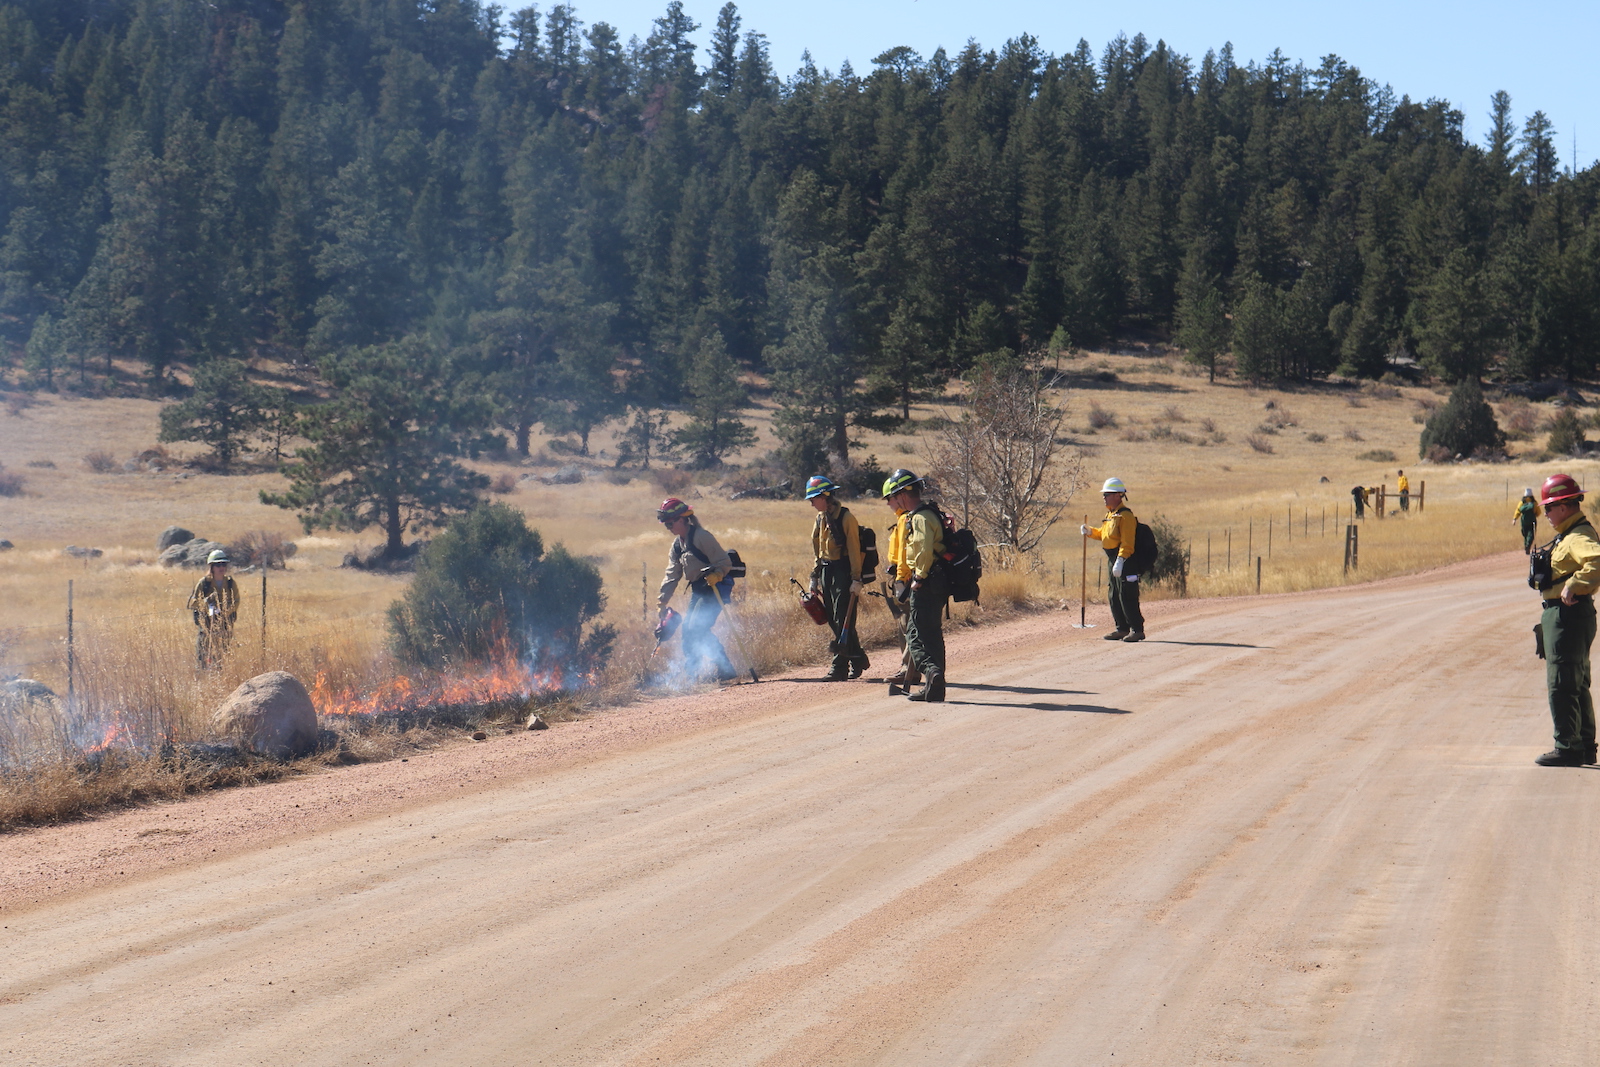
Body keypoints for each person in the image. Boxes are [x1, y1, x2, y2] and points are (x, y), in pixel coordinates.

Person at [1532, 474, 1600, 766]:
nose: (1545, 513)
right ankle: (1583, 745)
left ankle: (1567, 748)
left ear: (1564, 505)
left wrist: (1575, 584)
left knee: (1562, 682)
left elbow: (1597, 561)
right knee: (1575, 682)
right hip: (1567, 615)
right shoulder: (1570, 533)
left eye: (1549, 507)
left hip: (1568, 614)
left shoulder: (1578, 536)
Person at [656, 498, 739, 683]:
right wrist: (662, 601)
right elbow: (672, 574)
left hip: (714, 587)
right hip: (698, 590)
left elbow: (725, 562)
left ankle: (725, 668)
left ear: (682, 519)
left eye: (670, 523)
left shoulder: (702, 537)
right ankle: (693, 673)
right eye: (665, 524)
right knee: (688, 630)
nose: (668, 527)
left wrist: (717, 575)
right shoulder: (677, 546)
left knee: (698, 628)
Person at [883, 469, 946, 702]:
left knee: (914, 634)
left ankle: (931, 671)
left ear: (901, 495)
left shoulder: (919, 517)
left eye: (894, 496)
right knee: (932, 636)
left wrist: (917, 579)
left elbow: (922, 550)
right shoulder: (927, 514)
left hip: (925, 584)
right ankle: (934, 689)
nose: (893, 501)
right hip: (936, 583)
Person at [805, 475, 870, 681]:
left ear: (825, 496)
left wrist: (856, 578)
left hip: (843, 571)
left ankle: (839, 667)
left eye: (813, 498)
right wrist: (815, 576)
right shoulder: (820, 518)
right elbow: (818, 550)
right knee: (833, 619)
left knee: (843, 618)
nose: (811, 503)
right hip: (827, 571)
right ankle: (858, 657)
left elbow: (853, 549)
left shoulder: (846, 518)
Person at [1082, 477, 1145, 642]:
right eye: (1104, 494)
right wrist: (1090, 532)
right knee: (1114, 595)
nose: (1104, 497)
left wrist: (1121, 560)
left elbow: (1127, 542)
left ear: (1118, 495)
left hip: (1126, 560)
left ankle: (1137, 629)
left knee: (1127, 595)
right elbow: (1104, 534)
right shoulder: (1110, 515)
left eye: (1107, 494)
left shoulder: (1126, 516)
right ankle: (1122, 628)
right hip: (1113, 559)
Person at [882, 483, 920, 692]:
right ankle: (910, 668)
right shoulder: (902, 519)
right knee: (904, 625)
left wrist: (900, 581)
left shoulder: (906, 519)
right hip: (900, 576)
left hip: (904, 578)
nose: (888, 503)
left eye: (889, 498)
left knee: (908, 625)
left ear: (899, 496)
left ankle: (909, 669)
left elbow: (905, 554)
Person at [187, 549, 239, 669]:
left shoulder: (230, 583)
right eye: (218, 564)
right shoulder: (204, 583)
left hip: (225, 623)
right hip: (207, 623)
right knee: (203, 650)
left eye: (223, 564)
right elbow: (194, 602)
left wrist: (224, 612)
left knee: (223, 650)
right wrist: (207, 604)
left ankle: (220, 671)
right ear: (212, 567)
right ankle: (202, 672)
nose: (221, 567)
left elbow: (236, 601)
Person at [1514, 487, 1540, 555]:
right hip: (1532, 521)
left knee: (1525, 534)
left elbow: (1518, 510)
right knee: (1531, 534)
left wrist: (1515, 519)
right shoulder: (1534, 502)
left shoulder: (1521, 502)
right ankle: (1528, 545)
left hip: (1524, 521)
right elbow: (1538, 512)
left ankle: (1526, 546)